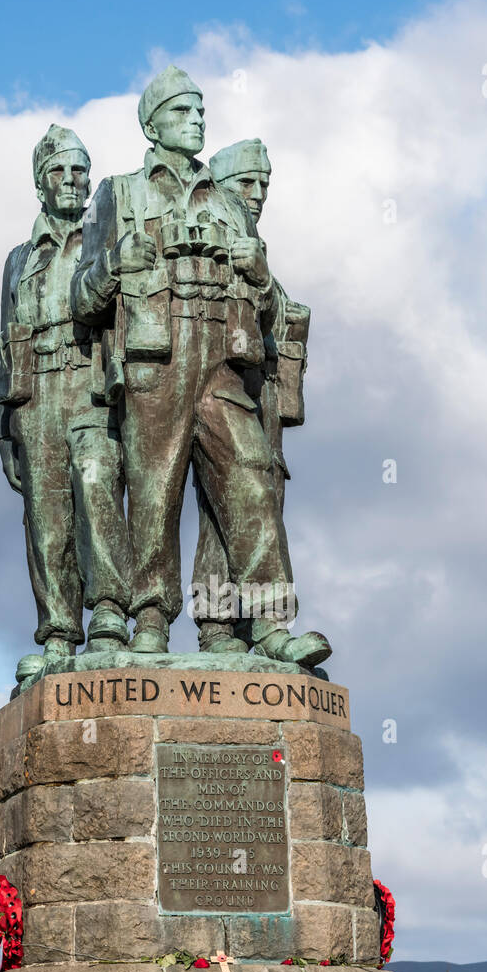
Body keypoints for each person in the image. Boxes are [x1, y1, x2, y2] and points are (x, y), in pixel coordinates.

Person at [71, 68, 330, 668]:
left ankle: (269, 625)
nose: (196, 121)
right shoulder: (119, 192)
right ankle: (150, 623)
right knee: (154, 492)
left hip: (220, 358)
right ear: (151, 124)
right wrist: (116, 261)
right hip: (155, 360)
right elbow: (82, 299)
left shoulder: (230, 203)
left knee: (251, 477)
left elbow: (268, 305)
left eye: (200, 111)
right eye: (182, 111)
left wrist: (258, 270)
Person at [0, 125, 130, 682]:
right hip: (35, 395)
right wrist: (4, 430)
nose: (72, 181)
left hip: (88, 383)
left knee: (97, 484)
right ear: (39, 182)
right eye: (60, 171)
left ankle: (109, 615)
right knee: (46, 519)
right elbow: (5, 344)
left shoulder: (106, 236)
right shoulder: (19, 258)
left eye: (80, 170)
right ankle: (57, 632)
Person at [191, 139, 311, 652]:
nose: (258, 193)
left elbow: (282, 319)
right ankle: (231, 624)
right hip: (211, 389)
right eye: (246, 182)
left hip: (262, 401)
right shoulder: (214, 247)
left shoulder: (256, 253)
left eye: (264, 183)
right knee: (236, 502)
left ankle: (227, 629)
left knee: (242, 509)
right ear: (218, 188)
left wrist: (264, 280)